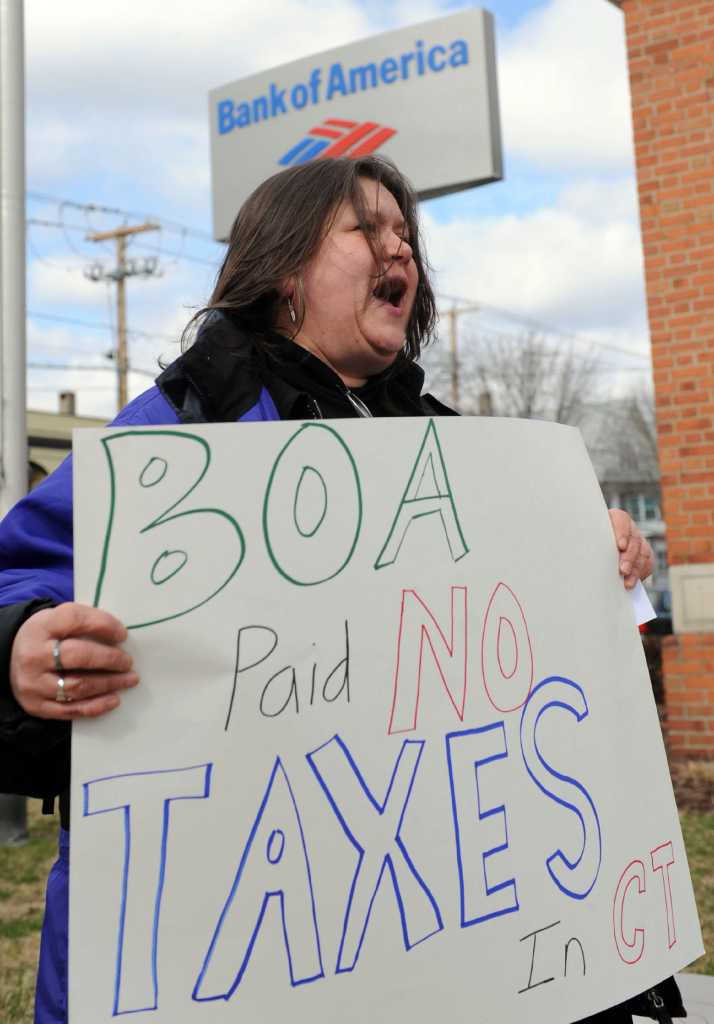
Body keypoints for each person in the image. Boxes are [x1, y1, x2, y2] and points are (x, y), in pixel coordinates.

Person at [0, 155, 679, 1024]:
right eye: (367, 228)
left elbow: (556, 660)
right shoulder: (183, 427)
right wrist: (22, 645)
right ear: (285, 267)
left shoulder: (465, 454)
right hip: (217, 953)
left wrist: (606, 562)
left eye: (408, 235)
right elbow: (21, 579)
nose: (400, 248)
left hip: (433, 951)